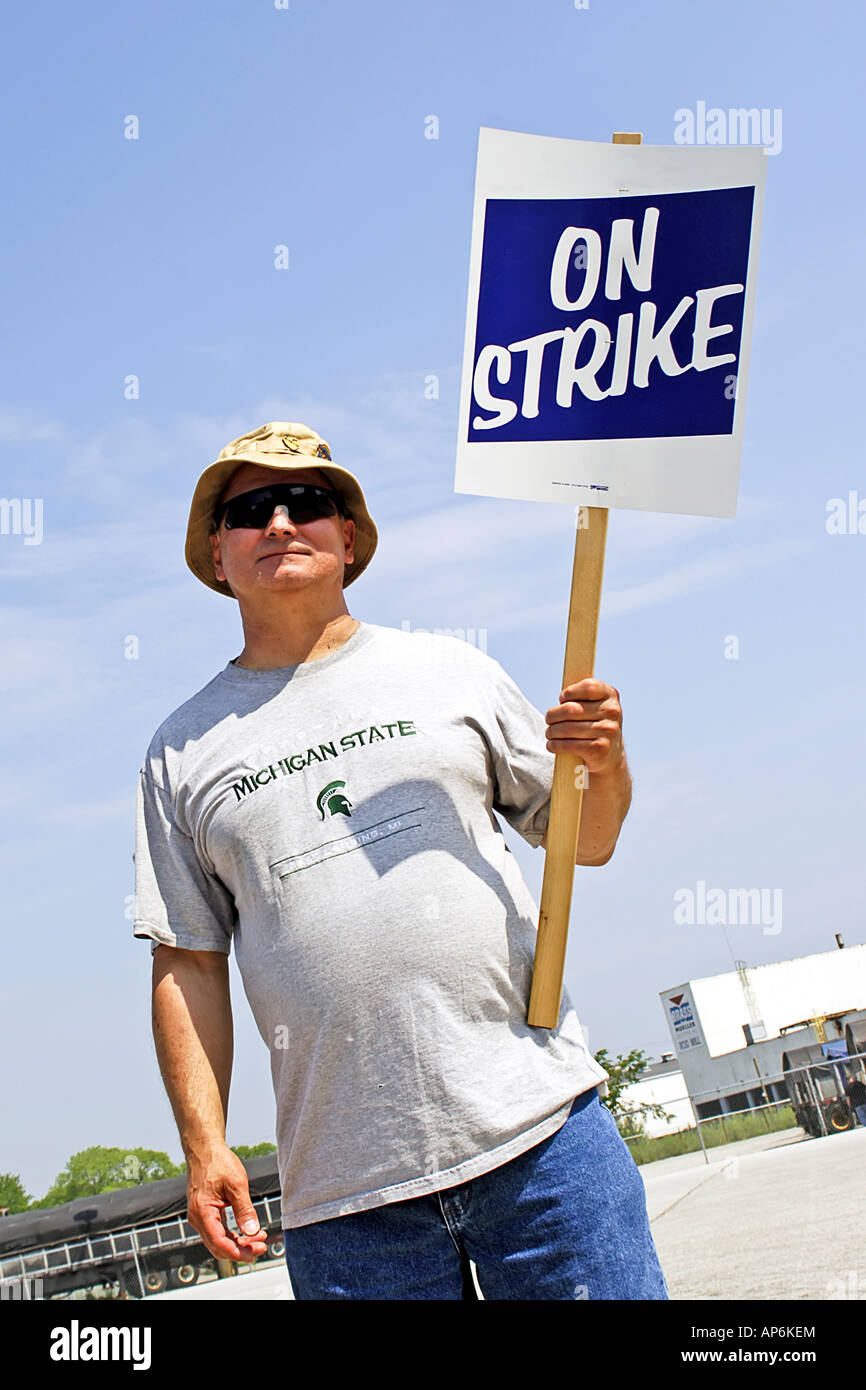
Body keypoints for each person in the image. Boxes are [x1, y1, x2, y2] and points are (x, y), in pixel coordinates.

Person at [133, 420, 668, 1301]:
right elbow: (186, 958)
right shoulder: (179, 751)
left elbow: (589, 841)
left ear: (347, 537)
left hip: (541, 1140)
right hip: (347, 1205)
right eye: (250, 508)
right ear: (216, 555)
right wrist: (206, 1143)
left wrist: (604, 767)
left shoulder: (450, 671)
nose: (279, 523)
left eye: (306, 502)